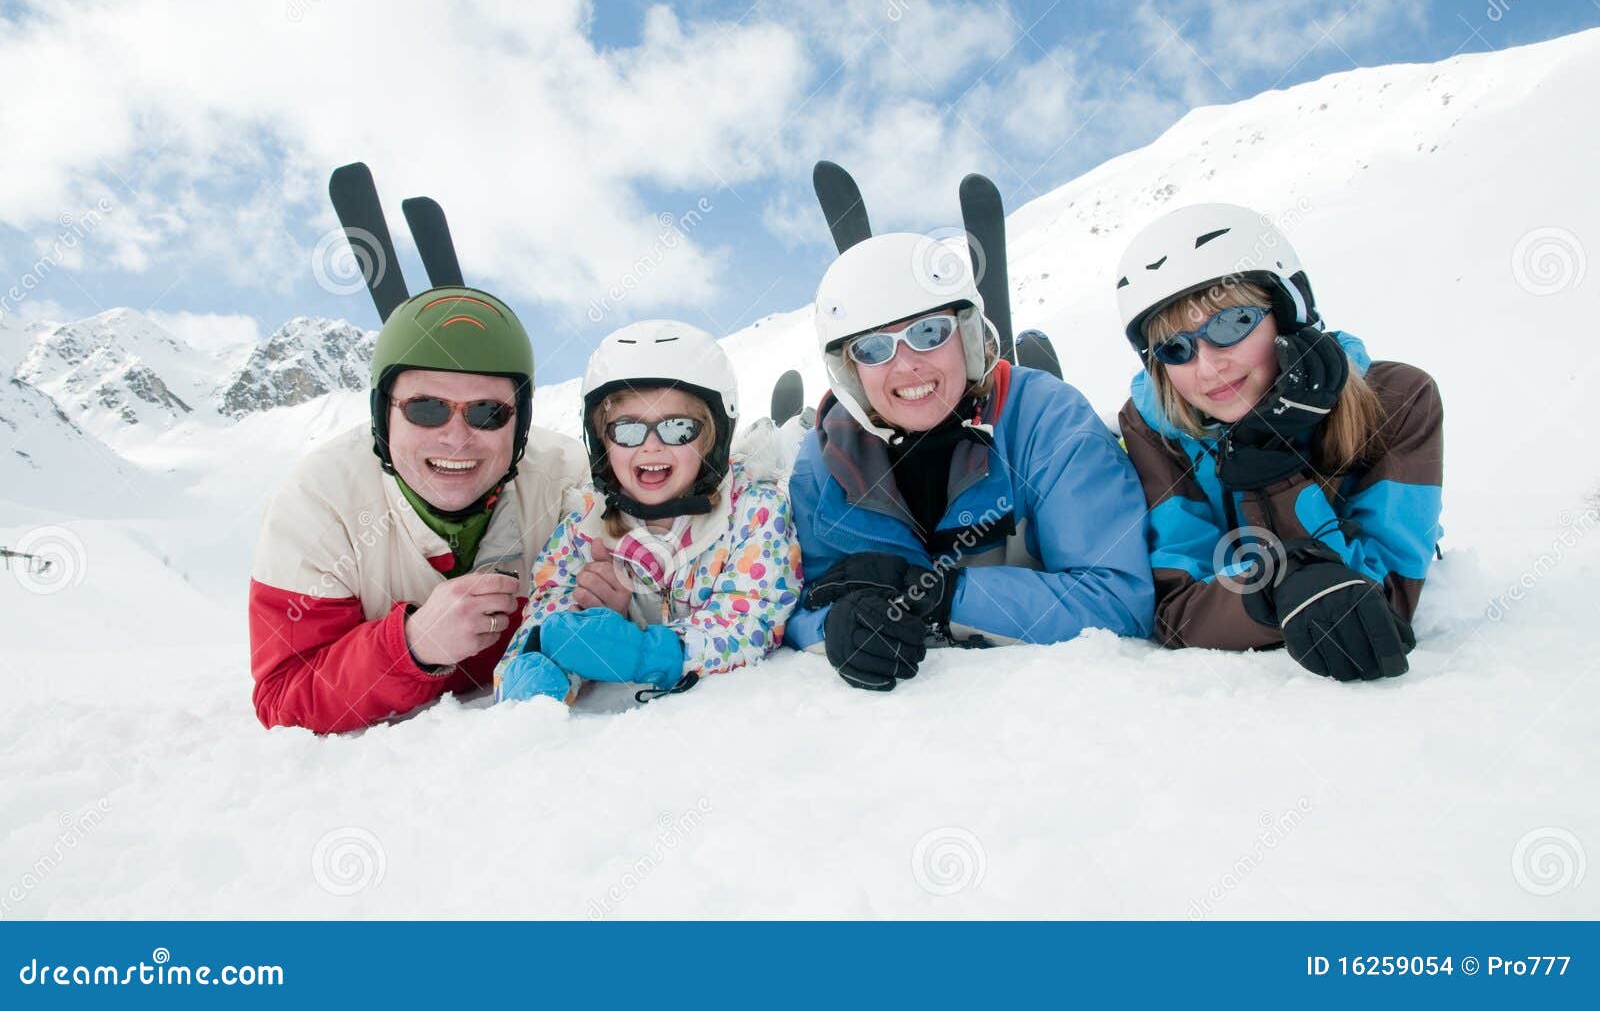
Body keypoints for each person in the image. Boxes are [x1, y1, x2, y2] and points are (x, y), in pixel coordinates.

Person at [786, 231, 1155, 691]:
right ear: (850, 370)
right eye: (873, 348)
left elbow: (1117, 600)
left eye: (928, 333)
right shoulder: (826, 462)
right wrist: (837, 625)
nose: (906, 367)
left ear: (967, 335)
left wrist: (943, 596)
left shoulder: (1048, 420)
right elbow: (793, 606)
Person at [1114, 203, 1444, 681]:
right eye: (1176, 349)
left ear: (1289, 315)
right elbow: (1178, 608)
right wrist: (1270, 591)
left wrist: (1278, 470)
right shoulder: (1154, 428)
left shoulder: (1399, 400)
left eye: (1231, 325)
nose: (1208, 369)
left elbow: (1383, 602)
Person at [248, 287, 587, 732]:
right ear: (382, 414)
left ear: (520, 423)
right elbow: (283, 696)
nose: (457, 438)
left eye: (488, 413)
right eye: (426, 409)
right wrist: (412, 646)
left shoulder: (570, 486)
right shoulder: (320, 504)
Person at [495, 319, 799, 704]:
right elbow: (549, 612)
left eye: (678, 428)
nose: (651, 446)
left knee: (786, 455)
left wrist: (647, 653)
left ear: (713, 436)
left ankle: (792, 431)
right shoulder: (583, 531)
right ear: (602, 442)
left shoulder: (753, 515)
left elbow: (750, 620)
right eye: (627, 430)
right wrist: (535, 664)